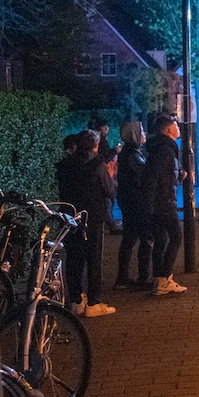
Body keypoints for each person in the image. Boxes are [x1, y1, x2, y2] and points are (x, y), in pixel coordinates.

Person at [65, 130, 118, 317]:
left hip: (71, 217)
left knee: (74, 259)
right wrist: (111, 176)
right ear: (95, 145)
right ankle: (94, 302)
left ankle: (76, 300)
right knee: (94, 259)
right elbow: (110, 191)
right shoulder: (97, 164)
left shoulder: (67, 164)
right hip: (93, 217)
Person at [142, 115, 189, 296]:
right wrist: (152, 203)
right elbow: (152, 177)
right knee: (176, 237)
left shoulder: (160, 148)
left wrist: (177, 174)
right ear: (169, 130)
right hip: (164, 201)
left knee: (161, 240)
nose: (178, 128)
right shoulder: (166, 150)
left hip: (158, 201)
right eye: (176, 125)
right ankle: (164, 279)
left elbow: (160, 174)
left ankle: (157, 279)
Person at [115, 122, 153, 290]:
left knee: (129, 238)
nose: (144, 133)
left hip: (128, 200)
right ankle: (143, 278)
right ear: (134, 135)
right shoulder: (133, 155)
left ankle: (122, 278)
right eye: (141, 131)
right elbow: (145, 174)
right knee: (146, 237)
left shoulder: (130, 152)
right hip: (135, 201)